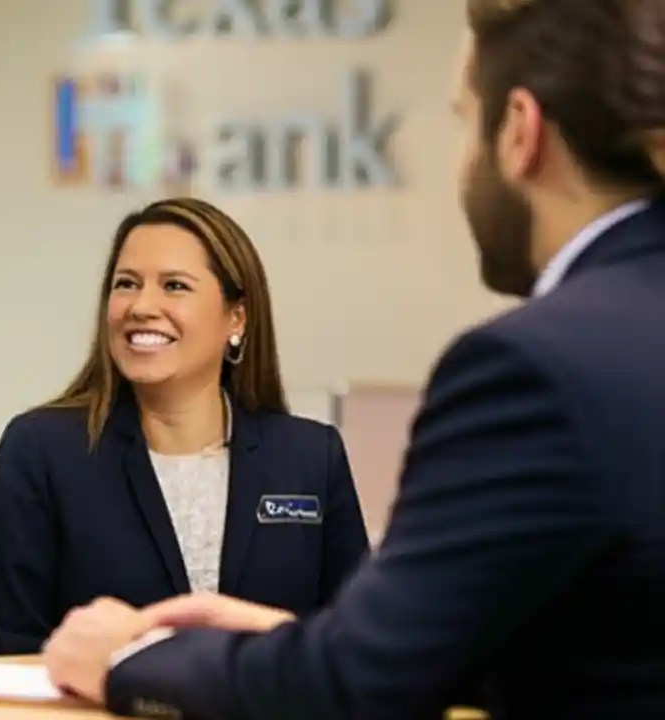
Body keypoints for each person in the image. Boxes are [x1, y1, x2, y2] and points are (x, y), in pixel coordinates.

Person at [42, 1, 665, 717]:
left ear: (521, 132)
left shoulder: (535, 369)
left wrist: (128, 660)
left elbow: (356, 687)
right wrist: (302, 637)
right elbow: (607, 641)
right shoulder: (47, 447)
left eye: (465, 122)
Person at [0, 197, 370, 655]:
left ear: (235, 318)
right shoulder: (41, 450)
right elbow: (12, 645)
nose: (142, 306)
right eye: (126, 284)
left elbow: (352, 642)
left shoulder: (311, 457)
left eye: (174, 285)